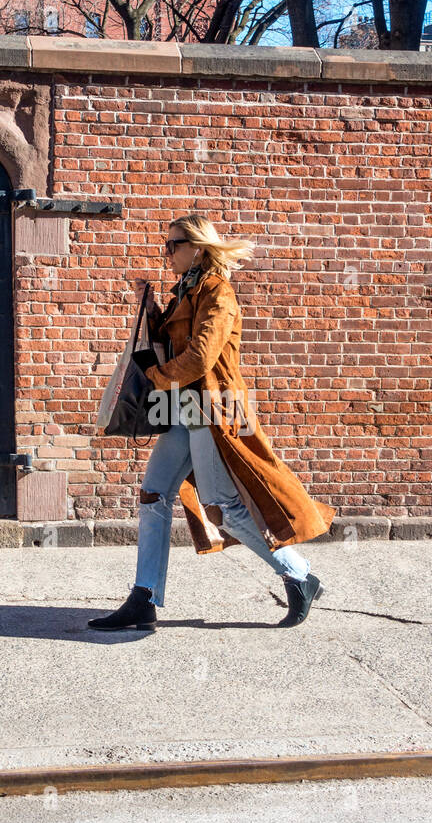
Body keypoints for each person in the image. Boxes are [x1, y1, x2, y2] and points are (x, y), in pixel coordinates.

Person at [89, 214, 335, 633]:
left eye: (173, 245)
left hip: (213, 407)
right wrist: (152, 312)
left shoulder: (218, 293)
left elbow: (200, 358)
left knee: (226, 510)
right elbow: (173, 344)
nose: (166, 253)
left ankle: (299, 574)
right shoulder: (186, 291)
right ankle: (144, 598)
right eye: (166, 245)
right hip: (183, 408)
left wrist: (154, 378)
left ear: (198, 248)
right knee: (153, 496)